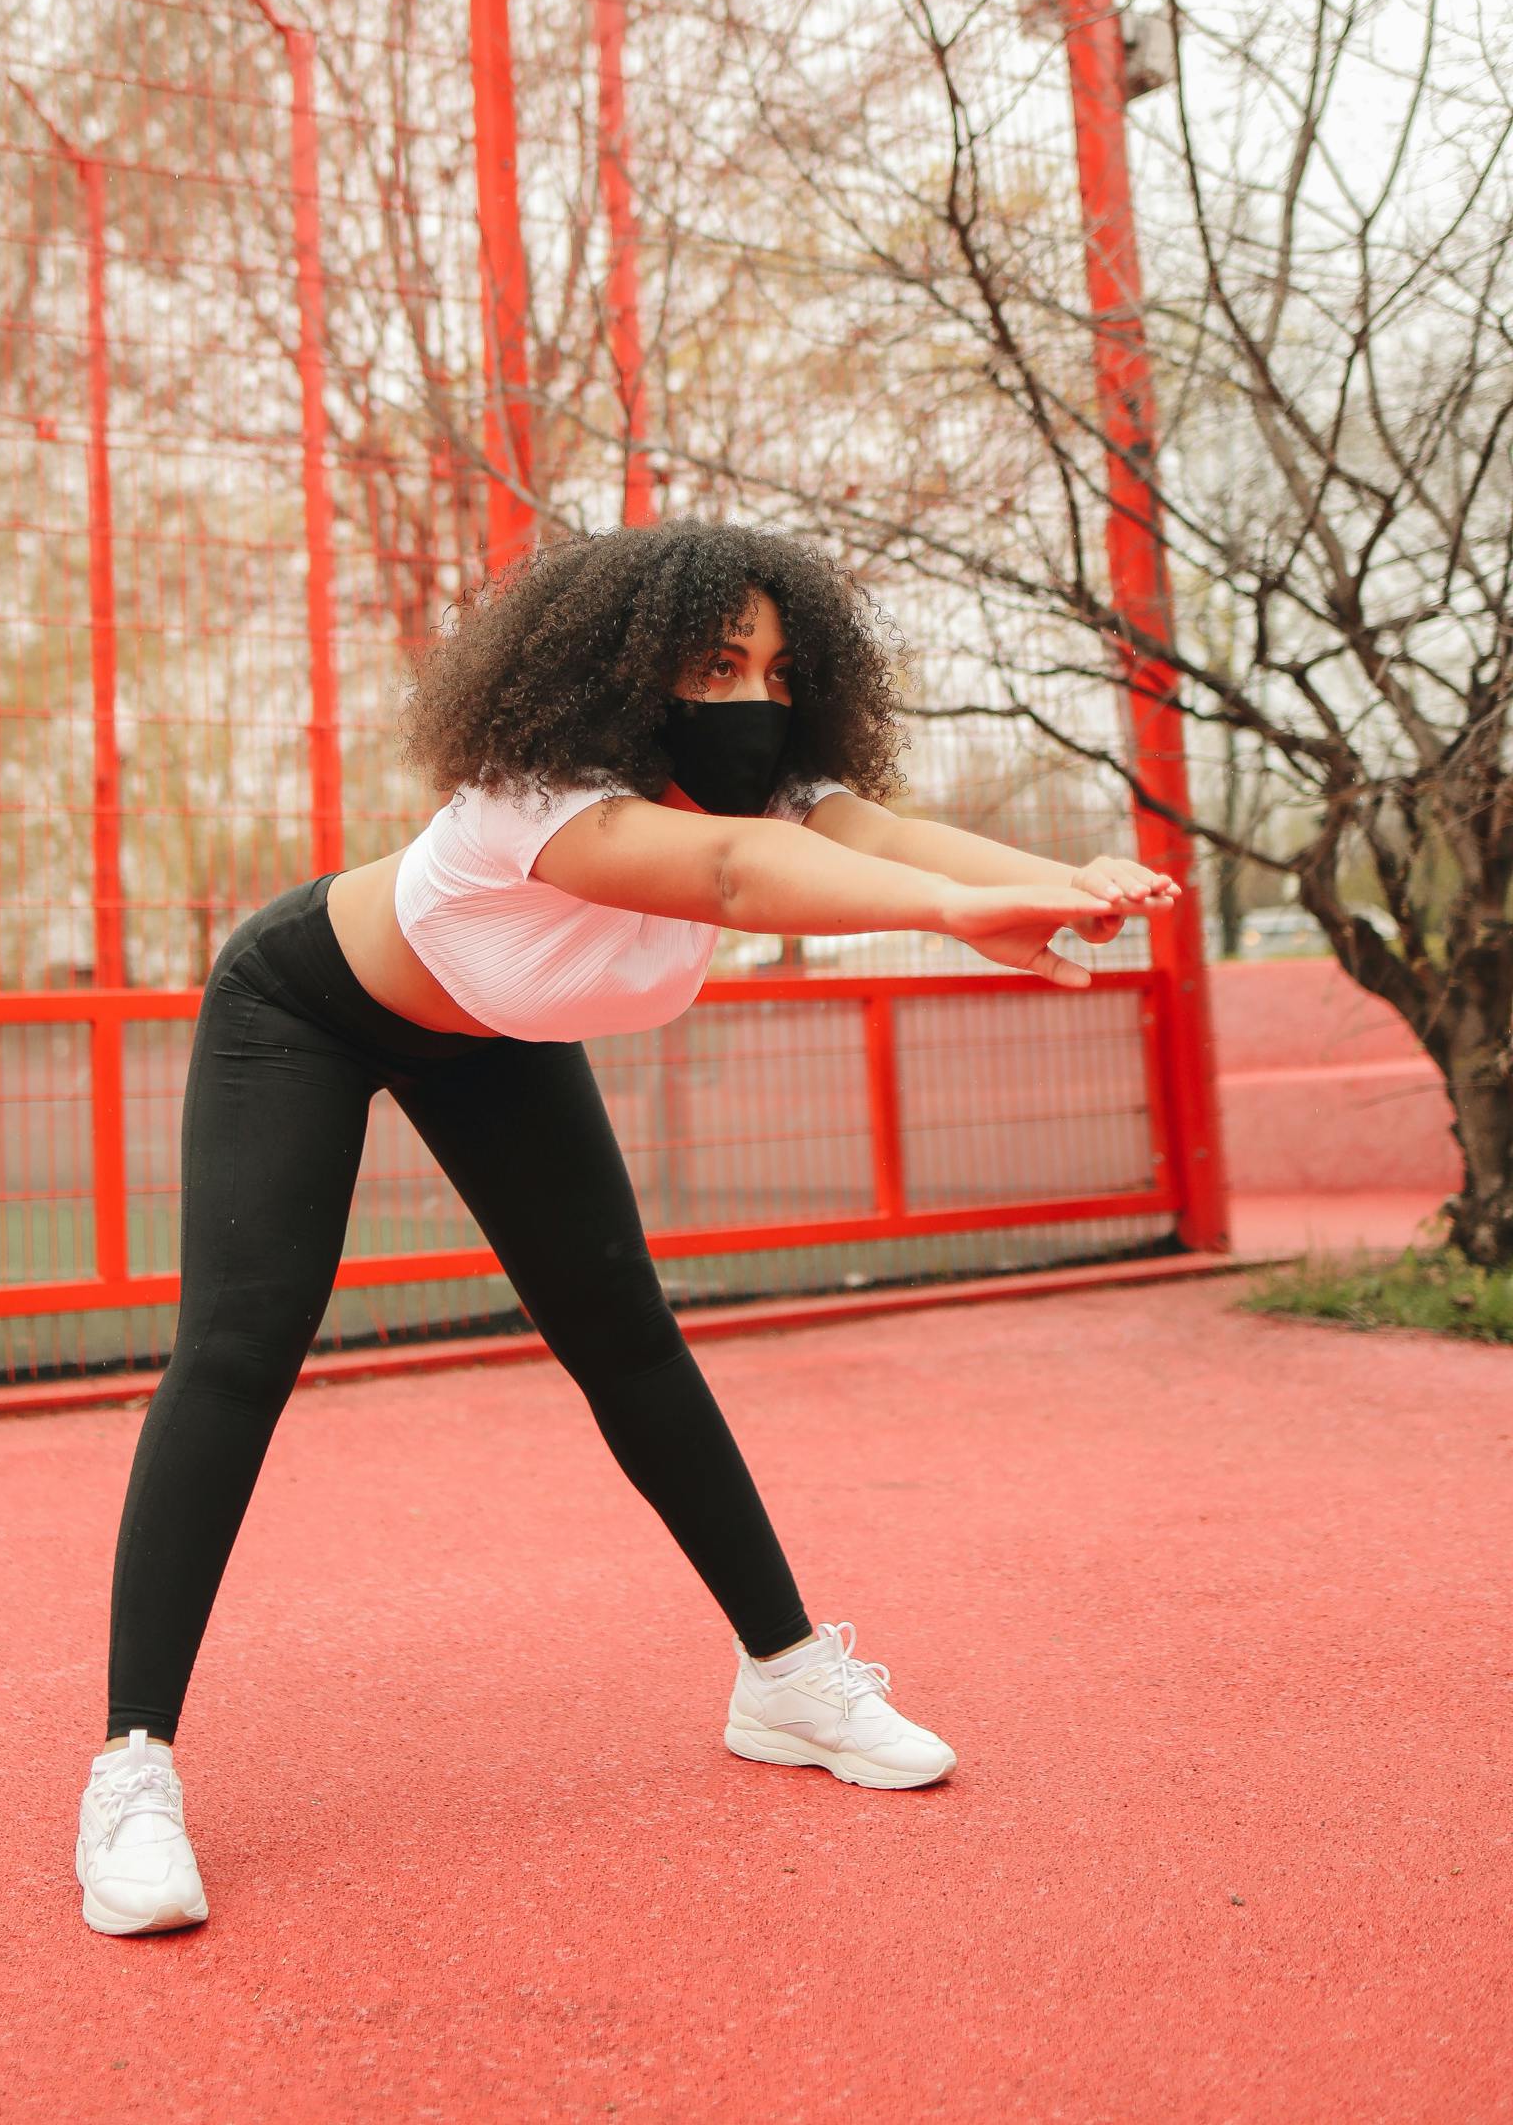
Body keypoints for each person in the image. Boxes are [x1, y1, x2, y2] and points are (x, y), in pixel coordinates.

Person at [77, 523, 1176, 1933]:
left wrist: (1058, 880)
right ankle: (131, 1766)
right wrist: (957, 913)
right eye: (716, 666)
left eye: (778, 671)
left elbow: (883, 835)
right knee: (239, 1351)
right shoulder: (535, 794)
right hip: (308, 1011)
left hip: (495, 1032)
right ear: (626, 669)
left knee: (627, 1336)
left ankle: (785, 1678)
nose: (753, 701)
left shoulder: (767, 789)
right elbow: (727, 879)